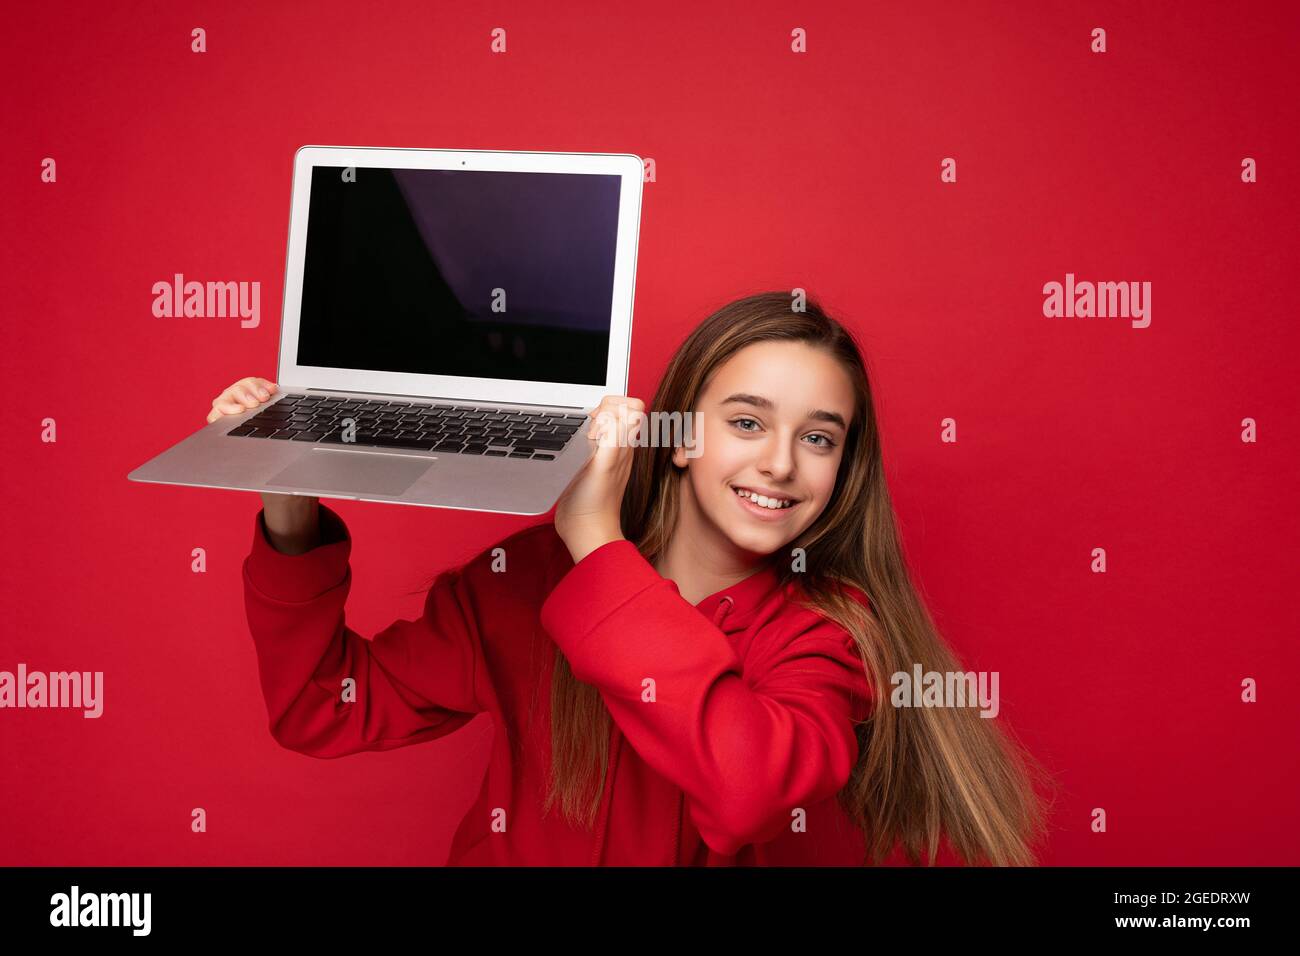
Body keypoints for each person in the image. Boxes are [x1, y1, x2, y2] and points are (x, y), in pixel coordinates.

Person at [214, 291, 1052, 866]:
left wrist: (593, 535)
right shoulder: (524, 579)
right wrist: (288, 496)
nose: (778, 462)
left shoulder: (827, 634)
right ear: (681, 435)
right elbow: (322, 708)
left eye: (819, 438)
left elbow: (749, 791)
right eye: (748, 422)